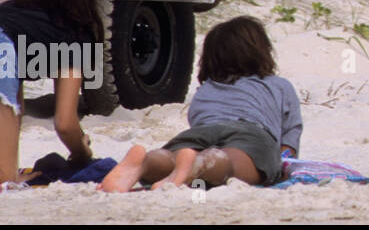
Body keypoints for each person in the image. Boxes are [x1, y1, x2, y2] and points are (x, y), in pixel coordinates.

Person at [99, 16, 301, 191]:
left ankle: (145, 163)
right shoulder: (279, 86)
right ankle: (199, 163)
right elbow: (288, 148)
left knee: (172, 157)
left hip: (202, 131)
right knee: (227, 161)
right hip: (251, 131)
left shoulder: (205, 90)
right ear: (262, 52)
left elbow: (198, 118)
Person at [0, 0, 103, 185]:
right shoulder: (77, 34)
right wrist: (81, 151)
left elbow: (13, 99)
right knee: (5, 181)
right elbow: (65, 123)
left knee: (15, 100)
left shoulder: (19, 8)